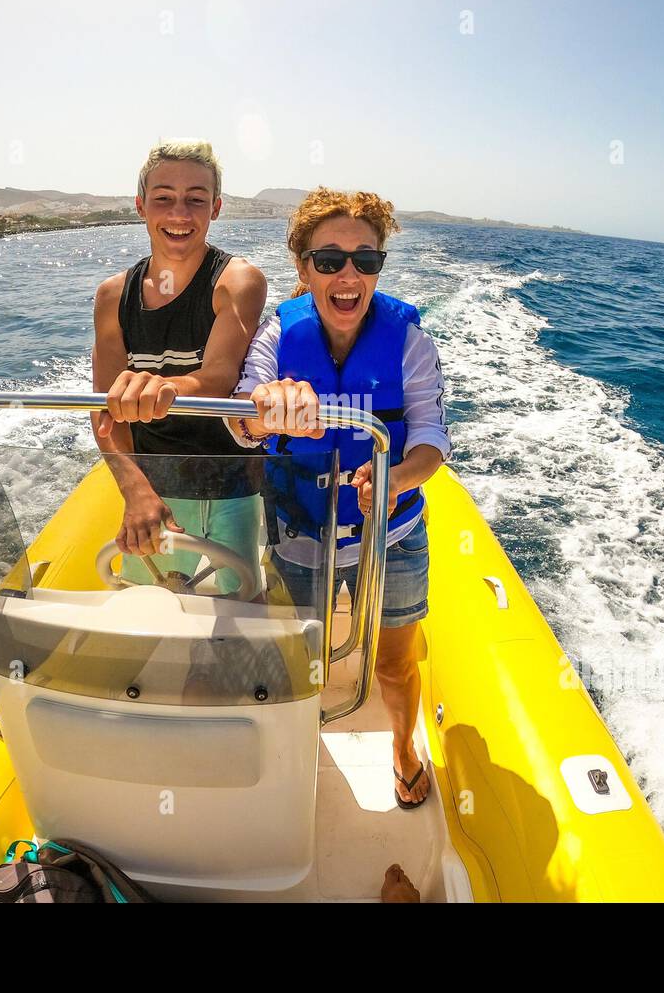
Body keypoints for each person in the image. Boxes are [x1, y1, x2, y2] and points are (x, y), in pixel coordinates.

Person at [226, 187, 450, 808]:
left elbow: (430, 435)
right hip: (301, 537)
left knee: (394, 667)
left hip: (393, 536)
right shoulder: (276, 339)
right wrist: (265, 412)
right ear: (303, 269)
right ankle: (299, 760)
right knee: (301, 665)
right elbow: (242, 419)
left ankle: (404, 750)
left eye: (365, 260)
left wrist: (399, 479)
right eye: (329, 260)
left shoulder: (410, 345)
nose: (348, 275)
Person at [91, 140, 268, 596]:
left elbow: (219, 377)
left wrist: (160, 385)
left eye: (196, 199)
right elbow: (103, 409)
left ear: (216, 208)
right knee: (145, 619)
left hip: (233, 484)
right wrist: (135, 490)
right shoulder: (113, 296)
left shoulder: (238, 281)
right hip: (154, 481)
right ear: (140, 206)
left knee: (240, 618)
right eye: (164, 198)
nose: (179, 214)